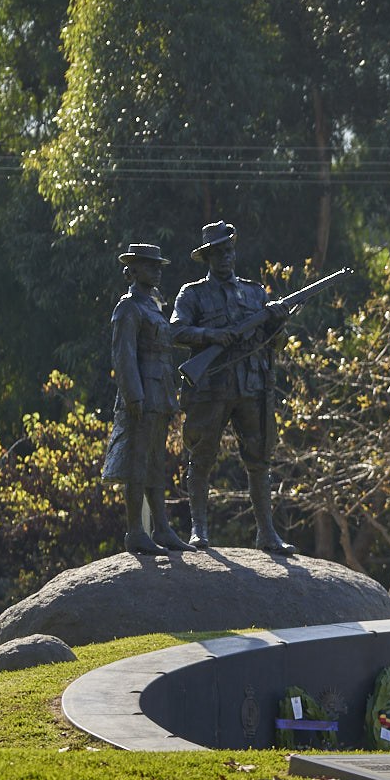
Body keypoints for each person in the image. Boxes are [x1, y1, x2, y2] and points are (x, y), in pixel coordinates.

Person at [171, 221, 293, 553]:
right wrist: (210, 336)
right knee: (202, 457)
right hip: (210, 386)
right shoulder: (193, 293)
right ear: (208, 257)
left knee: (259, 460)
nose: (226, 256)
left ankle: (266, 533)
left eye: (229, 250)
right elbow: (176, 331)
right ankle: (199, 530)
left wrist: (278, 321)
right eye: (218, 252)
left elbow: (274, 343)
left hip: (251, 384)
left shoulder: (255, 293)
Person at [102, 244, 190, 555]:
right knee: (137, 463)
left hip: (161, 392)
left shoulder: (153, 306)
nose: (157, 270)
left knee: (156, 463)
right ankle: (136, 531)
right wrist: (134, 397)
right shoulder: (129, 307)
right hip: (142, 394)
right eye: (150, 265)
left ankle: (162, 528)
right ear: (133, 270)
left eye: (158, 265)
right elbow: (124, 355)